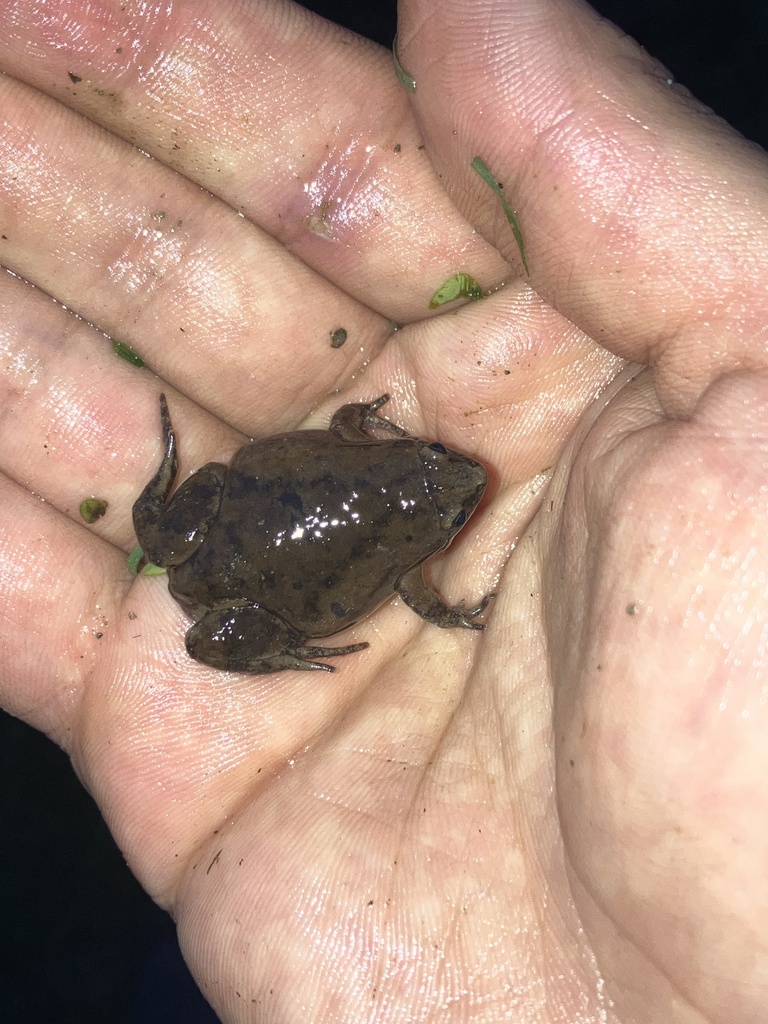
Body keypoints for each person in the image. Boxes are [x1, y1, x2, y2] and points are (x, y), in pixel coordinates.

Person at [1, 0, 766, 1020]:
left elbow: (367, 470)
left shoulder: (399, 506)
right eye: (443, 471)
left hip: (251, 531)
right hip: (250, 548)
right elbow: (381, 513)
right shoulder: (406, 524)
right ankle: (217, 551)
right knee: (197, 581)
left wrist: (379, 536)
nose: (459, 477)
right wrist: (357, 603)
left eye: (447, 491)